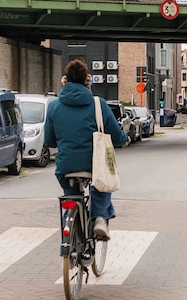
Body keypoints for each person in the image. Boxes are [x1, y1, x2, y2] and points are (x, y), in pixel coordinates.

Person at [44, 60, 129, 240]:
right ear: (87, 81)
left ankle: (70, 233)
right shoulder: (99, 104)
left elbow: (49, 141)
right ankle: (99, 218)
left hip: (66, 165)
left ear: (65, 80)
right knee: (102, 182)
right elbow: (115, 133)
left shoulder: (53, 106)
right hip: (93, 163)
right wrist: (124, 139)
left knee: (71, 196)